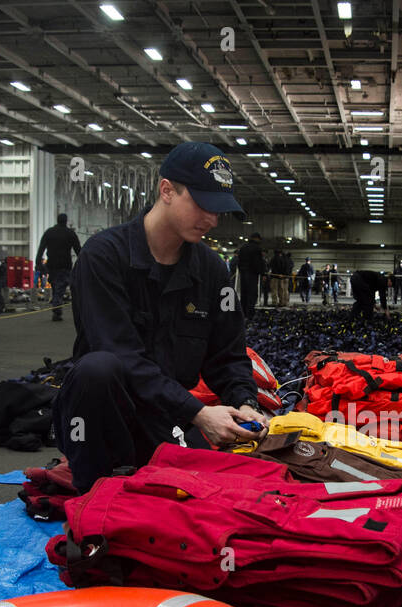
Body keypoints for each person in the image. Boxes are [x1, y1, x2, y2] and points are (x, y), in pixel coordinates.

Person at [53, 142, 264, 493]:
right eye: (203, 205)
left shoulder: (212, 271)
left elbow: (228, 355)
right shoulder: (103, 257)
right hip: (105, 415)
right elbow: (122, 355)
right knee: (97, 368)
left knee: (207, 495)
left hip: (167, 415)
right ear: (167, 190)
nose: (212, 220)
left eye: (219, 211)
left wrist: (245, 402)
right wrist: (198, 412)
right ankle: (93, 489)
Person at [36, 212, 82, 323]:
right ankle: (57, 310)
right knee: (60, 288)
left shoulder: (49, 233)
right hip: (65, 265)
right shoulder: (70, 233)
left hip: (51, 266)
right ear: (66, 221)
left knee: (56, 287)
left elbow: (41, 249)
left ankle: (57, 309)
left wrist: (39, 263)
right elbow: (78, 250)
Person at [234, 231, 264, 320]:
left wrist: (241, 270)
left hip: (243, 273)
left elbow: (238, 261)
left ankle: (243, 313)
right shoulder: (257, 248)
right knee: (252, 294)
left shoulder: (243, 247)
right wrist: (262, 272)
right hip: (252, 274)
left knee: (244, 294)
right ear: (257, 238)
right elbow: (258, 262)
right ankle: (250, 314)